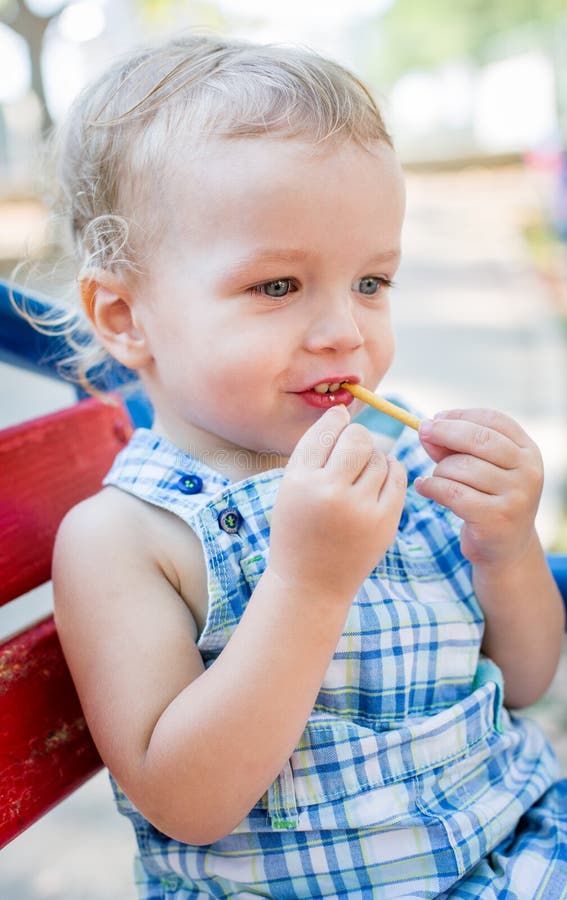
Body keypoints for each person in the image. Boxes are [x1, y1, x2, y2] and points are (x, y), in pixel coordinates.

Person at [47, 32, 567, 899]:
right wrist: (309, 586)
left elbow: (524, 680)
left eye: (371, 282)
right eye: (278, 287)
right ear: (124, 315)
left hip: (521, 842)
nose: (345, 332)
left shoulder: (396, 464)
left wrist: (506, 546)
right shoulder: (128, 539)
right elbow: (186, 800)